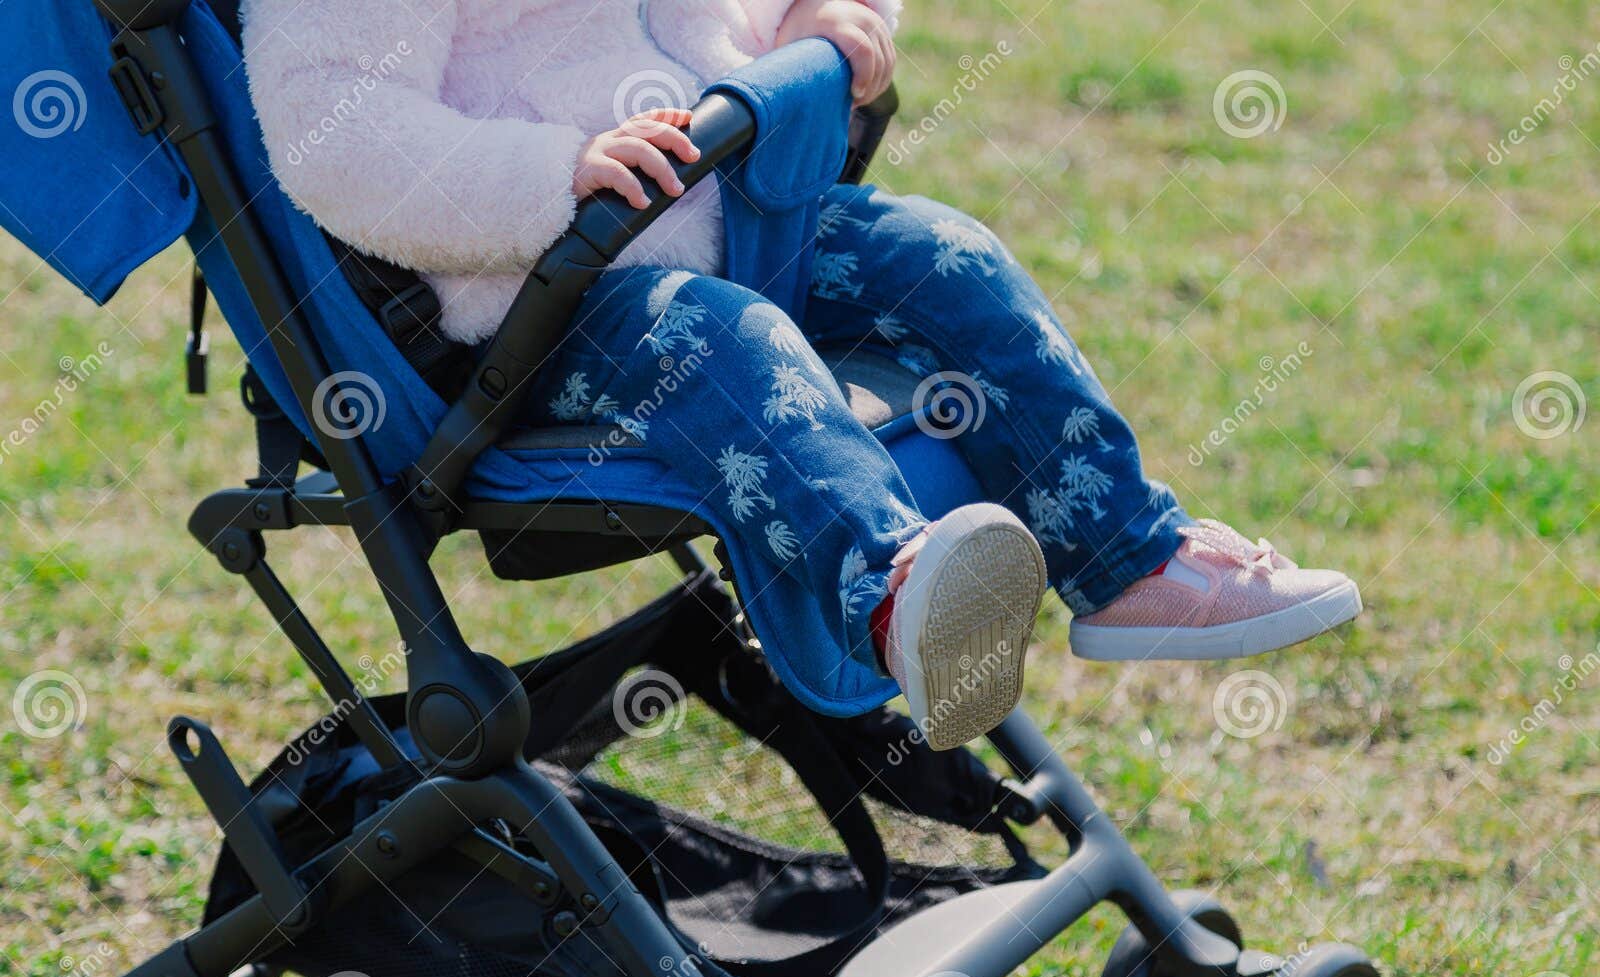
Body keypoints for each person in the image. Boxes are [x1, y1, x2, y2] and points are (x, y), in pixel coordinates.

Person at [243, 0, 1361, 748]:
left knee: (943, 255)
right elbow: (333, 132)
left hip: (736, 209)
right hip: (541, 297)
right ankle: (895, 599)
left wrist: (826, 17)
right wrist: (552, 175)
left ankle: (1127, 558)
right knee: (724, 342)